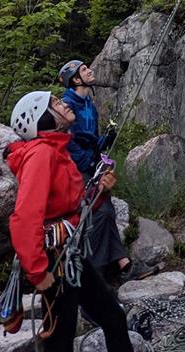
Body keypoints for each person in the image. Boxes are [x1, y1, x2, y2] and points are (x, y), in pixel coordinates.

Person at [6, 90, 135, 352]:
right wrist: (39, 272)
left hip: (69, 255)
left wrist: (101, 189)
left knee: (113, 317)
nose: (63, 103)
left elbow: (74, 204)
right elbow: (24, 217)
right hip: (56, 260)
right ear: (42, 118)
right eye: (55, 103)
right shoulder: (41, 154)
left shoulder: (57, 149)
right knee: (59, 341)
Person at [58, 59, 139, 282]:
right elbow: (69, 141)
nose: (90, 71)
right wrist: (88, 164)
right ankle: (96, 271)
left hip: (92, 163)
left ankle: (120, 262)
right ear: (76, 79)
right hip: (80, 169)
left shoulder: (89, 106)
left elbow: (91, 140)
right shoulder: (67, 105)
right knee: (97, 214)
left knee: (108, 211)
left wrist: (106, 140)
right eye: (84, 70)